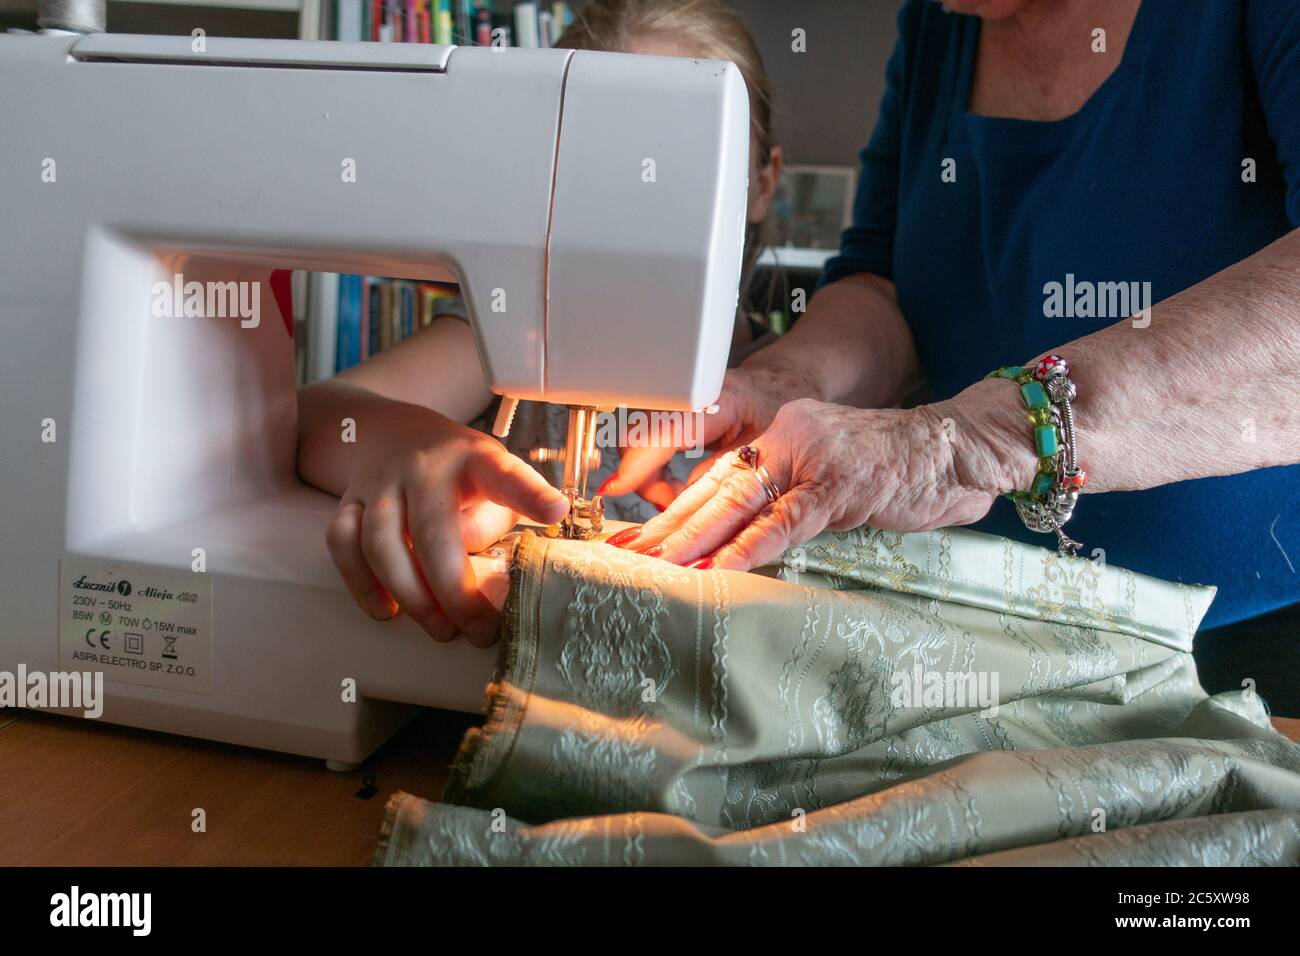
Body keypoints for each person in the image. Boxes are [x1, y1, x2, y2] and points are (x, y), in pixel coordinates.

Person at [603, 0, 1300, 683]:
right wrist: (785, 381)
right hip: (994, 633)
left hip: (1252, 649)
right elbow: (886, 286)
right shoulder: (943, 22)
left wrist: (962, 444)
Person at [296, 0, 785, 646]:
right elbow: (313, 417)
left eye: (673, 166)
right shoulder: (509, 328)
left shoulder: (796, 388)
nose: (634, 195)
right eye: (595, 163)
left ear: (762, 183)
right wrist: (408, 441)